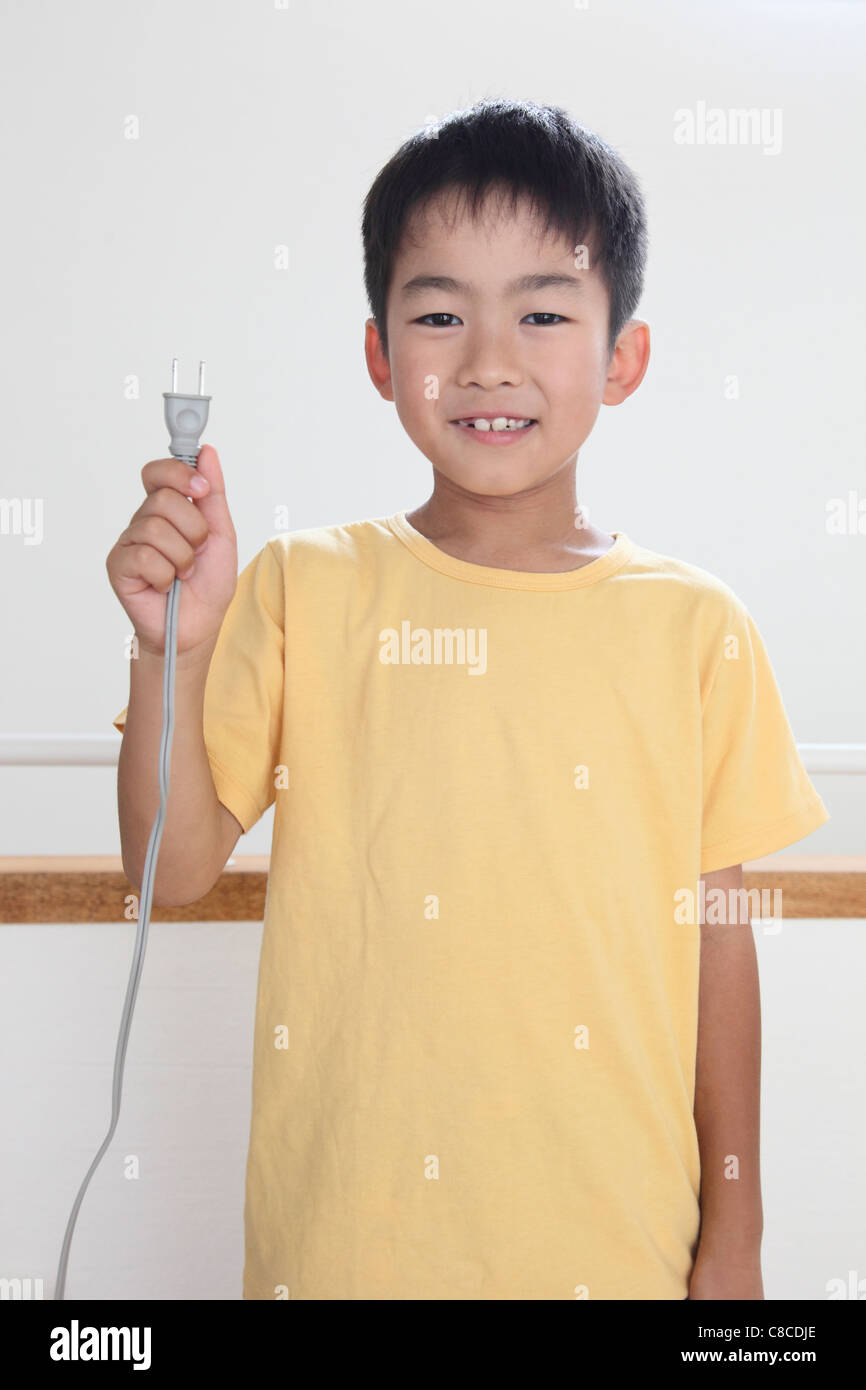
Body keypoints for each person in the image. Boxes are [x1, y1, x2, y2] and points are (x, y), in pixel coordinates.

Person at [106, 99, 829, 1300]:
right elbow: (167, 869)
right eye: (440, 313)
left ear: (620, 355)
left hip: (613, 1252)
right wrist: (169, 654)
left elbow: (716, 950)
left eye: (542, 312)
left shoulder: (695, 627)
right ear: (381, 354)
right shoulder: (302, 588)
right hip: (345, 1250)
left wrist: (735, 1240)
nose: (488, 359)